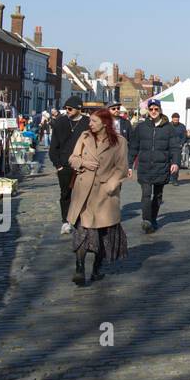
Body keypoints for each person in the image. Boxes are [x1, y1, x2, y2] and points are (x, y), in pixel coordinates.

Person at [67, 109, 129, 285]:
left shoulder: (119, 142)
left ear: (104, 123)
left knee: (103, 235)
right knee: (82, 231)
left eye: (94, 121)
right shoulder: (85, 137)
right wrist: (83, 162)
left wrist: (112, 185)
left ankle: (96, 269)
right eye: (90, 121)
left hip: (104, 195)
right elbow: (73, 158)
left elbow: (122, 167)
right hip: (84, 192)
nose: (90, 124)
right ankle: (79, 268)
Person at [128, 98, 182, 233]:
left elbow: (175, 147)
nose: (153, 111)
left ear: (160, 110)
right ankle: (146, 220)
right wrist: (129, 165)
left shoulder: (169, 128)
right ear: (148, 110)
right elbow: (134, 147)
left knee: (158, 195)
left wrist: (175, 162)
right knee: (146, 194)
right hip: (145, 167)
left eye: (156, 109)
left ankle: (153, 218)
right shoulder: (141, 127)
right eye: (151, 109)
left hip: (161, 166)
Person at [49, 98, 91, 234]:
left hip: (82, 164)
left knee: (83, 193)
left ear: (79, 108)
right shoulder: (60, 122)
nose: (67, 111)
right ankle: (66, 221)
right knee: (65, 194)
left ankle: (80, 220)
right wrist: (58, 165)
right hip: (65, 165)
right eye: (66, 108)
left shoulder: (87, 122)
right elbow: (53, 146)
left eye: (70, 109)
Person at [168, 112, 187, 185]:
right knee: (168, 164)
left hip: (177, 148)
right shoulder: (168, 126)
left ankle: (174, 179)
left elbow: (184, 136)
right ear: (172, 119)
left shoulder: (182, 126)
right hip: (168, 147)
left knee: (176, 164)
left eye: (177, 120)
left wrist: (181, 144)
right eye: (175, 120)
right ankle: (169, 178)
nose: (176, 121)